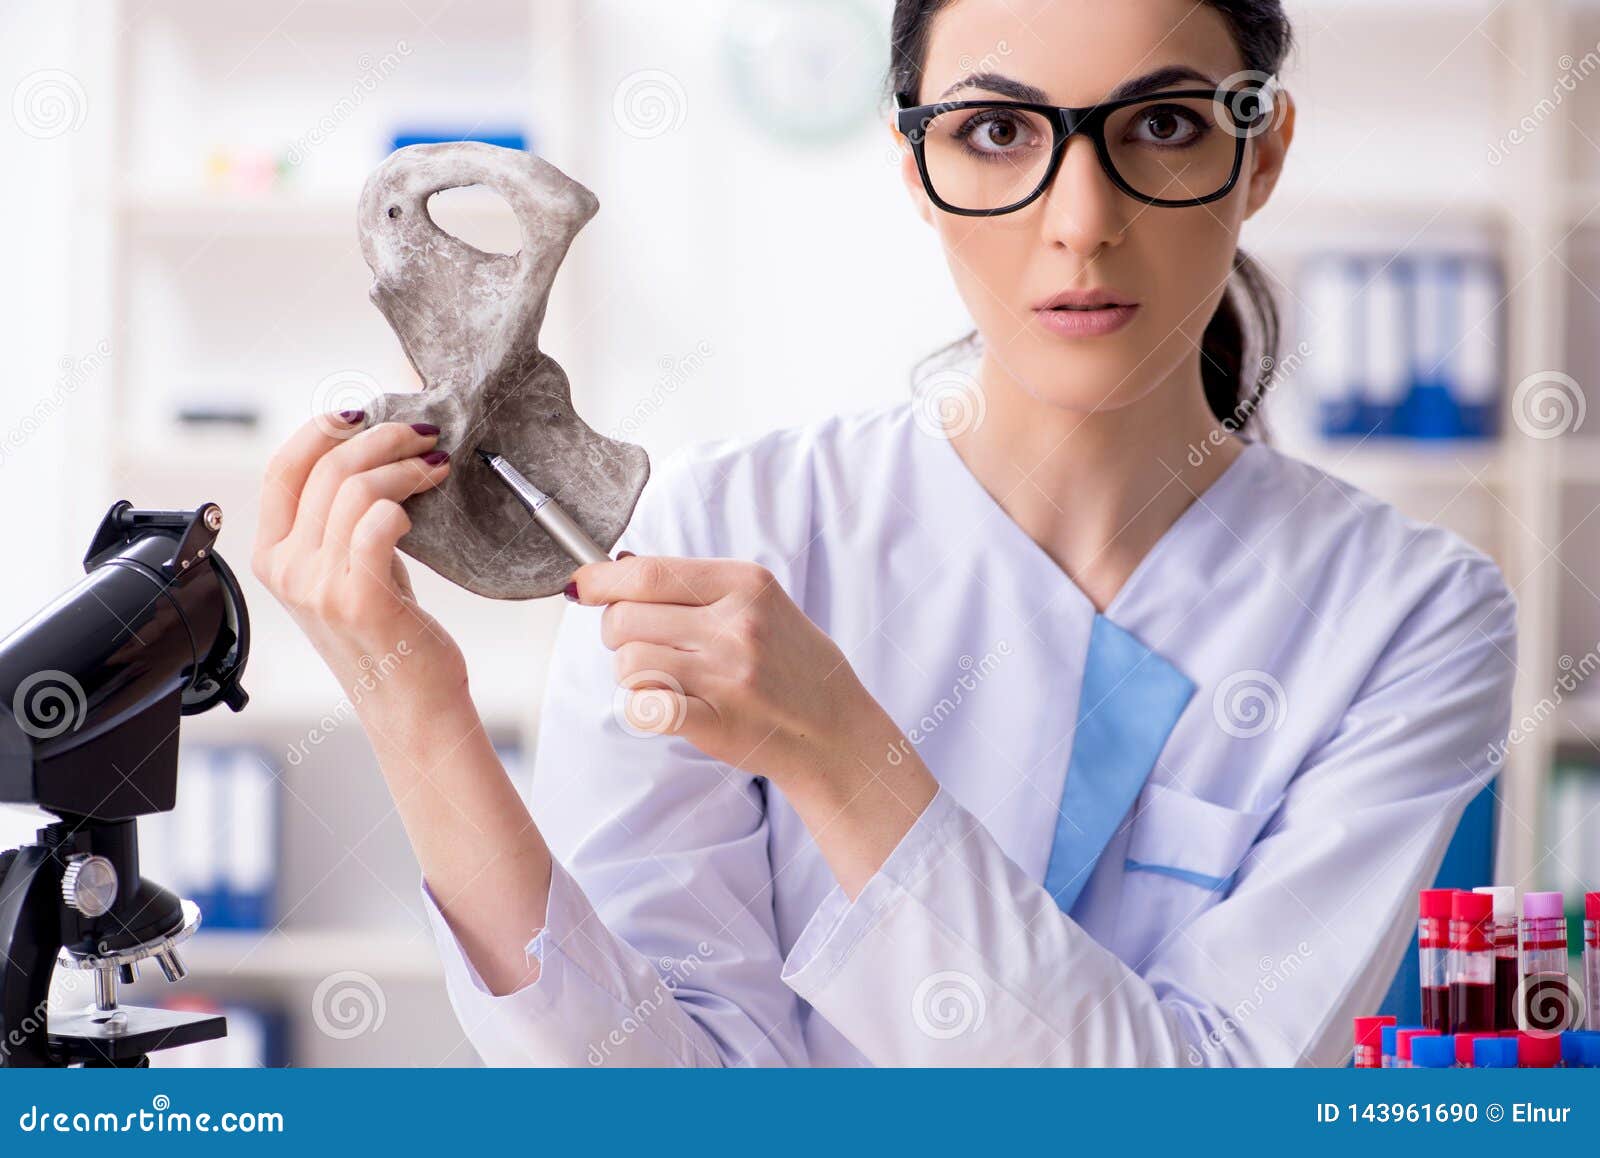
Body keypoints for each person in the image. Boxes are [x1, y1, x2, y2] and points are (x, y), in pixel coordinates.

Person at [253, 0, 1517, 1065]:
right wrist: (410, 702)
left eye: (1165, 124)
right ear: (916, 166)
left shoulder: (1411, 615)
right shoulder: (712, 534)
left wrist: (840, 753)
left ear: (1264, 150)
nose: (1079, 220)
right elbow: (650, 1100)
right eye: (996, 131)